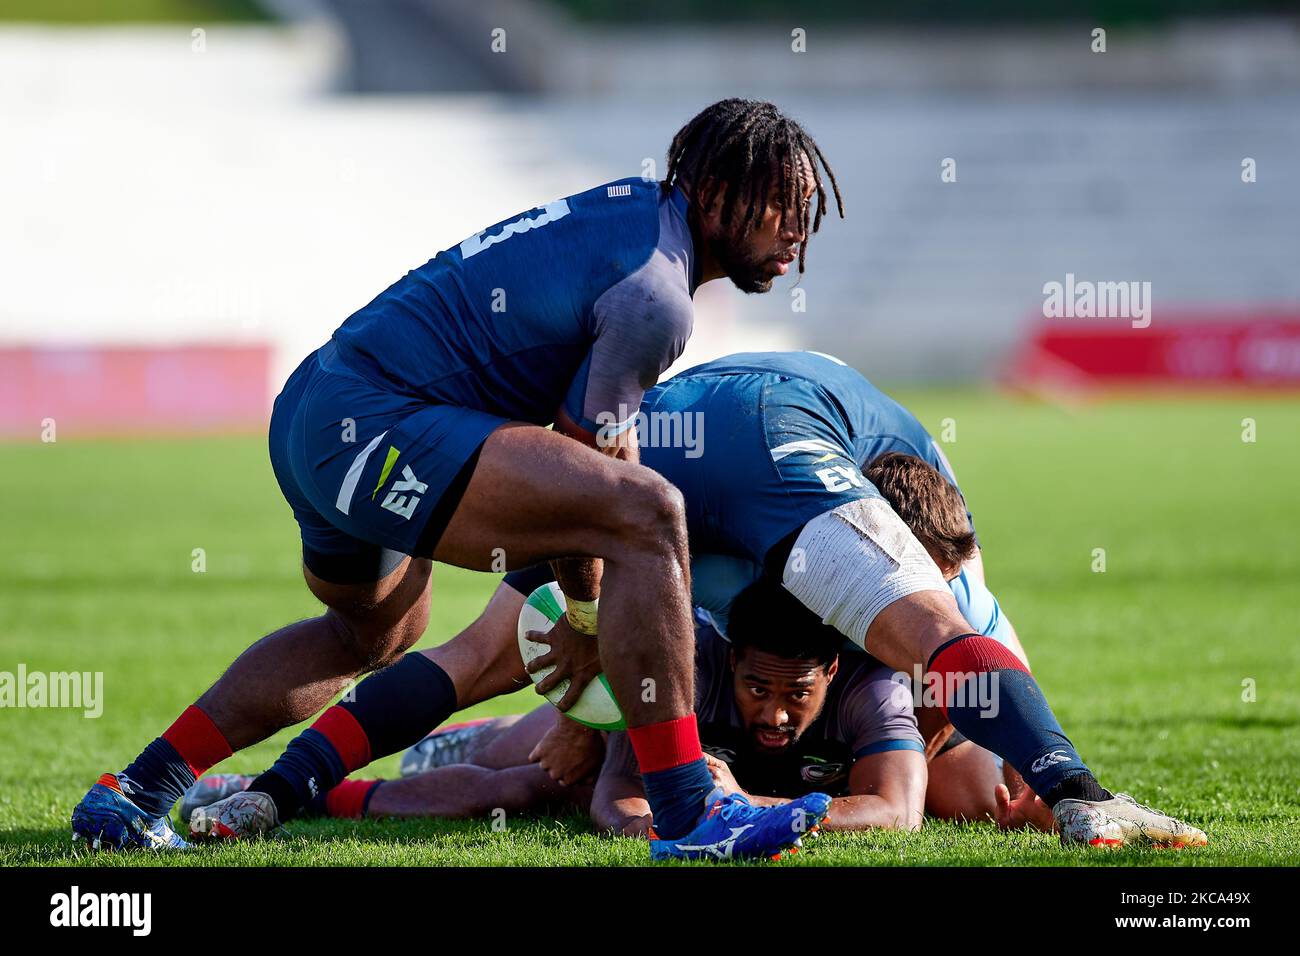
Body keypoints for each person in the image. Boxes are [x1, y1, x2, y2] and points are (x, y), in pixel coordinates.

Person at [70, 100, 847, 862]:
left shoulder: (637, 221)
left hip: (315, 408)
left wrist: (597, 592)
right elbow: (591, 466)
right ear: (715, 194)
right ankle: (688, 812)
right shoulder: (658, 294)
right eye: (782, 206)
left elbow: (608, 445)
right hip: (376, 421)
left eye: (807, 212)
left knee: (374, 633)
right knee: (651, 514)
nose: (797, 232)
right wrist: (583, 617)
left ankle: (132, 793)